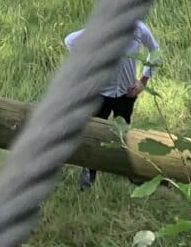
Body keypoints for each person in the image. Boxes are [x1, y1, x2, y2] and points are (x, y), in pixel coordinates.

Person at [64, 17, 160, 188]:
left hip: (126, 93)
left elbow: (155, 50)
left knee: (123, 132)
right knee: (94, 131)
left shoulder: (139, 29)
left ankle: (128, 168)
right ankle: (89, 169)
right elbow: (70, 41)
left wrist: (143, 81)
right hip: (100, 93)